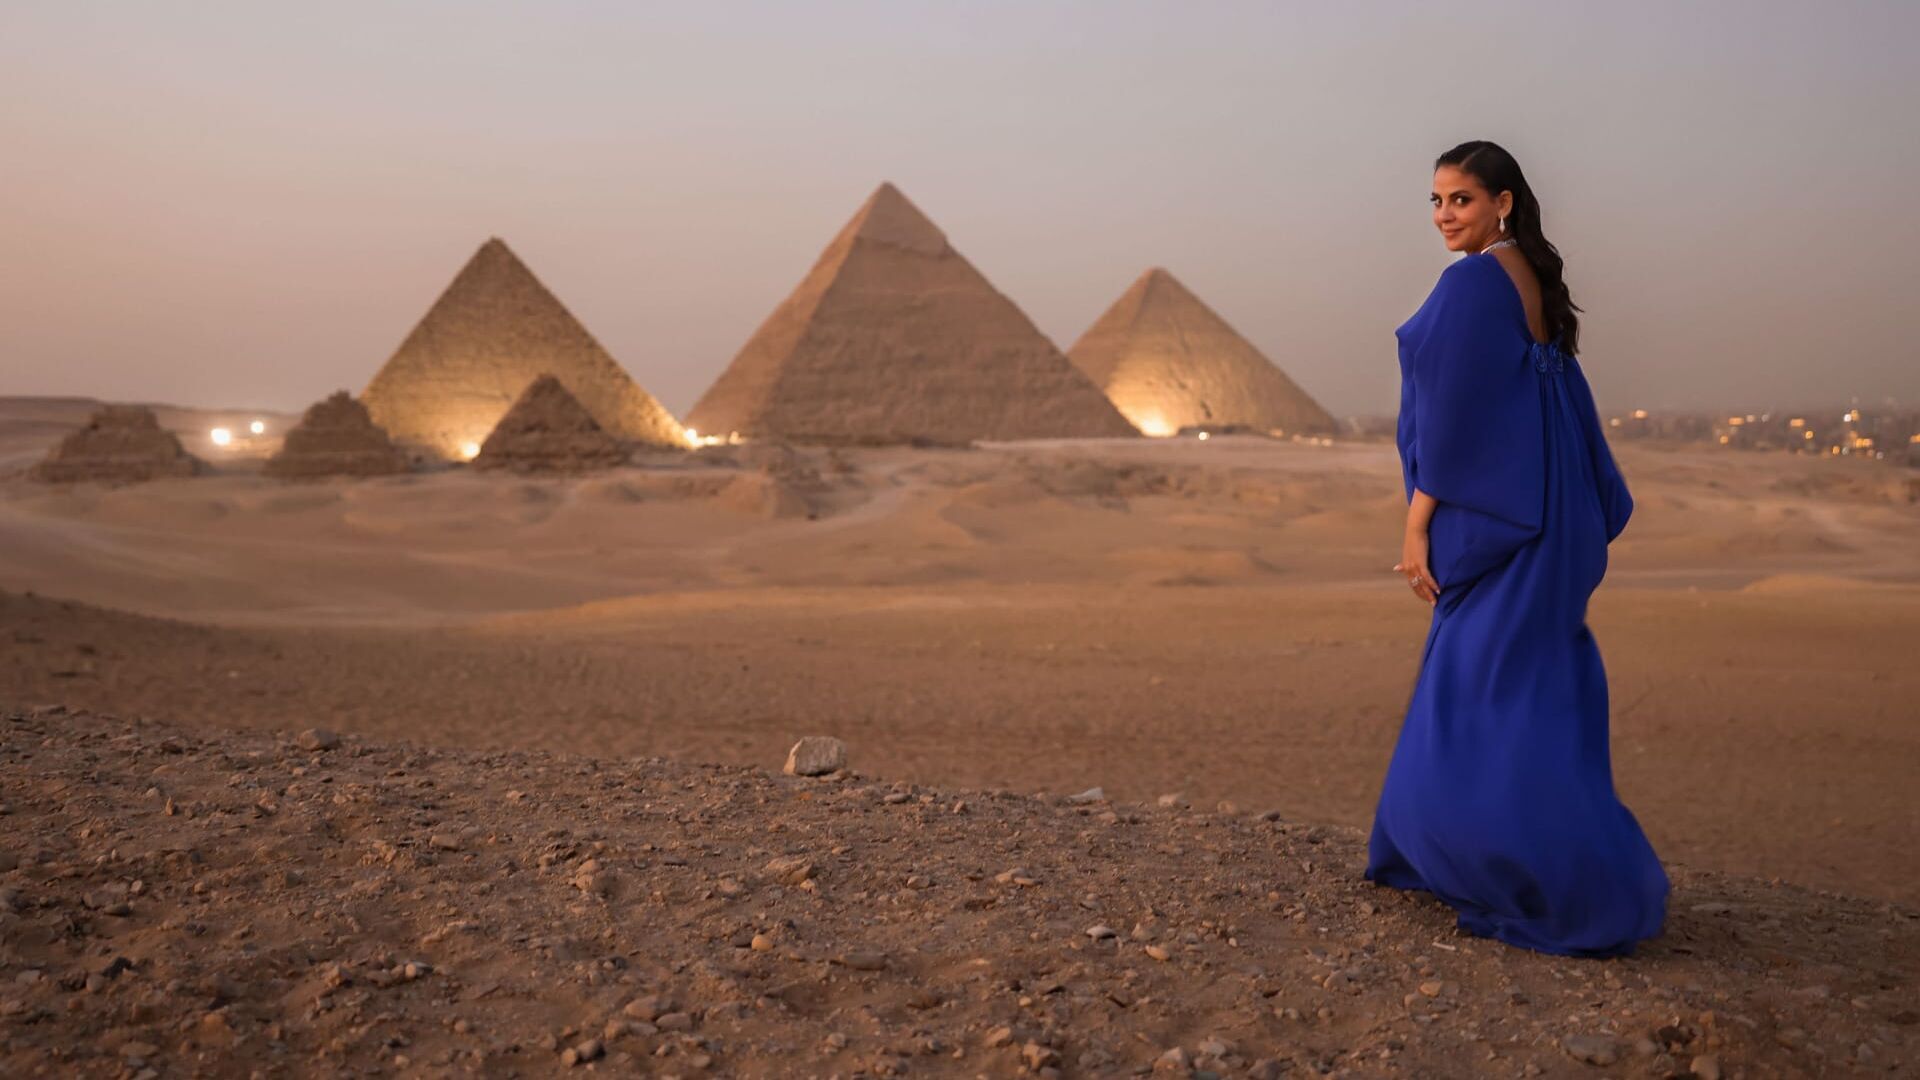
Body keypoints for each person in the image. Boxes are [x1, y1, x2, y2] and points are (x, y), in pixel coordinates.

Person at [1364, 140, 1669, 957]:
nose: (1442, 217)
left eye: (1459, 199)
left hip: (1509, 517)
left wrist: (1417, 521)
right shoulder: (1529, 277)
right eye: (1433, 201)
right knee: (1531, 686)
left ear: (1502, 201)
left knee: (1476, 687)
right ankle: (1557, 862)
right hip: (1552, 511)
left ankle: (1508, 866)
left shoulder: (1471, 284)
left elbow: (1455, 416)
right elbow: (1554, 398)